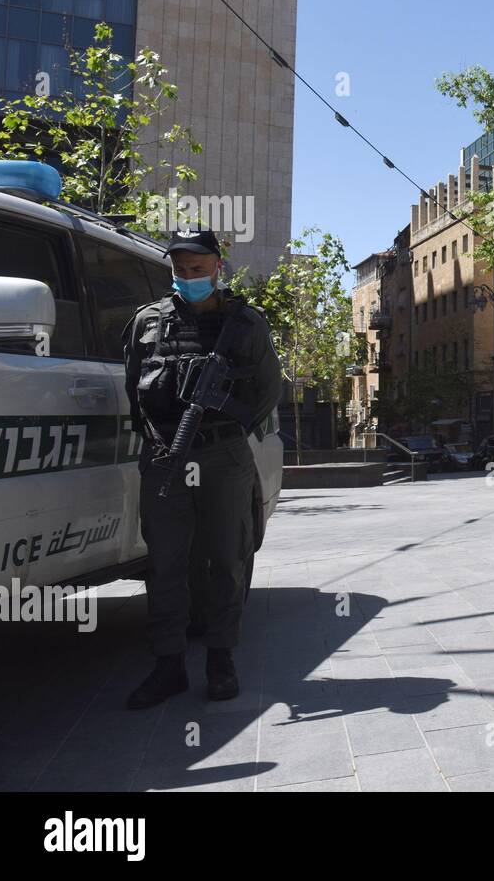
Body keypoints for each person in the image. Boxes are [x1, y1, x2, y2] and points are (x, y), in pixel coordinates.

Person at [121, 229, 282, 709]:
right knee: (166, 562)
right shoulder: (147, 322)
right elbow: (134, 387)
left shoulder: (246, 324)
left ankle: (220, 660)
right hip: (165, 452)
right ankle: (168, 665)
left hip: (221, 454)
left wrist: (225, 419)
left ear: (217, 266)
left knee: (225, 558)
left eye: (197, 269)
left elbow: (268, 390)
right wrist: (157, 439)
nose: (188, 278)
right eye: (180, 270)